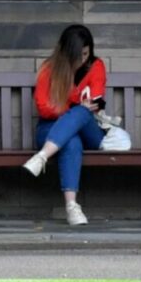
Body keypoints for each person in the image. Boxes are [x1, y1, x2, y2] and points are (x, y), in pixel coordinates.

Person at [20, 23, 108, 226]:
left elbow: (96, 101)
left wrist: (73, 104)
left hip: (90, 130)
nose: (83, 59)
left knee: (82, 111)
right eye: (78, 54)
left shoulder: (96, 66)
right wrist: (75, 103)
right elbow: (43, 108)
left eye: (86, 53)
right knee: (71, 141)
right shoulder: (49, 69)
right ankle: (72, 207)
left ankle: (42, 156)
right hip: (50, 128)